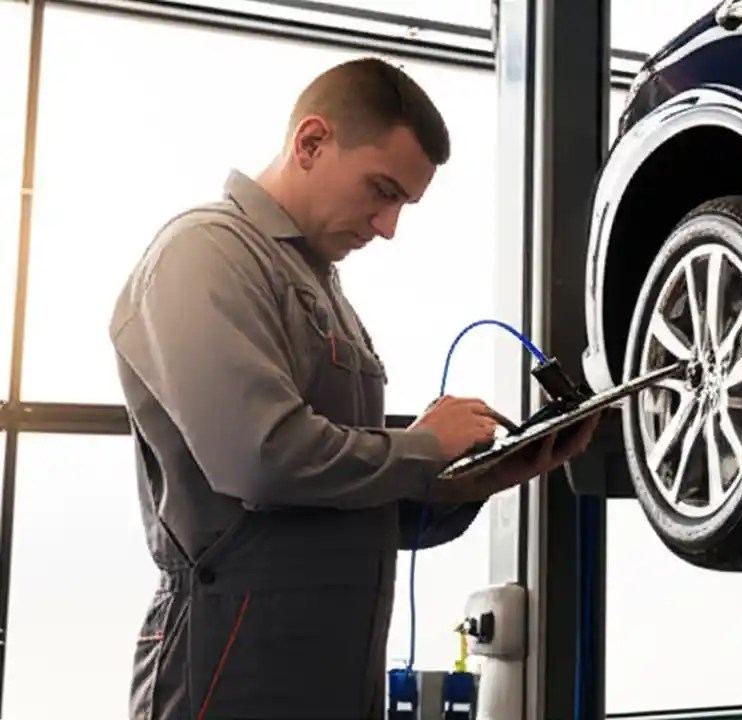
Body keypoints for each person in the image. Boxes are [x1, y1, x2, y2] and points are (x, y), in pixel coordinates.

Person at [109, 57, 600, 720]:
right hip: (231, 663)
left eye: (402, 203)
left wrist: (474, 477)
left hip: (336, 665)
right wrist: (423, 445)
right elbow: (263, 458)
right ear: (311, 142)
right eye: (381, 190)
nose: (387, 225)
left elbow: (341, 508)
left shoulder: (320, 286)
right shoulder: (203, 254)